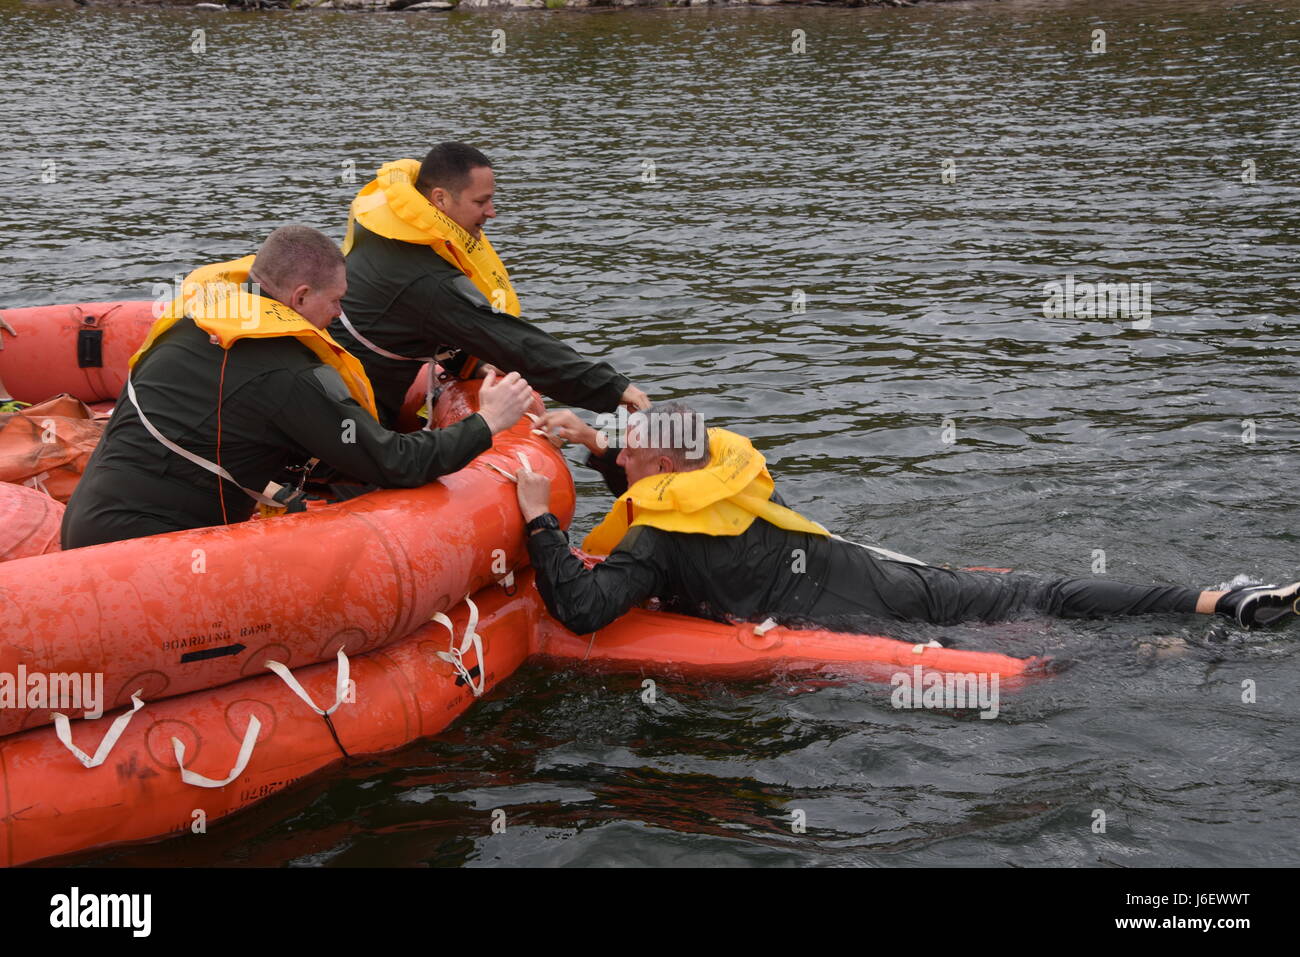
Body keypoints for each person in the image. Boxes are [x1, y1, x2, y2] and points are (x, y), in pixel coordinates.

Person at [513, 403, 1300, 636]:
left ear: (652, 471)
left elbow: (581, 609)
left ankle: (1168, 646)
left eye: (628, 455)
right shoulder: (737, 471)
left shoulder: (654, 538)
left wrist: (538, 521)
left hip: (852, 625)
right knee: (1046, 594)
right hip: (882, 574)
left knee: (1027, 639)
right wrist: (597, 440)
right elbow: (662, 460)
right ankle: (1217, 601)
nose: (624, 461)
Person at [62, 225, 533, 549]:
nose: (339, 316)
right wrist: (490, 421)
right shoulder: (288, 374)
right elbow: (395, 462)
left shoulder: (194, 321)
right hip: (143, 552)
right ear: (300, 297)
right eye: (336, 302)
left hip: (85, 522)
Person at [330, 143, 649, 429]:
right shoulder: (425, 279)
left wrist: (467, 362)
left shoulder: (384, 230)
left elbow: (400, 319)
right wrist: (612, 387)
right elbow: (509, 340)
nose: (492, 212)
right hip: (353, 417)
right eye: (481, 201)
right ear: (440, 198)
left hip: (340, 387)